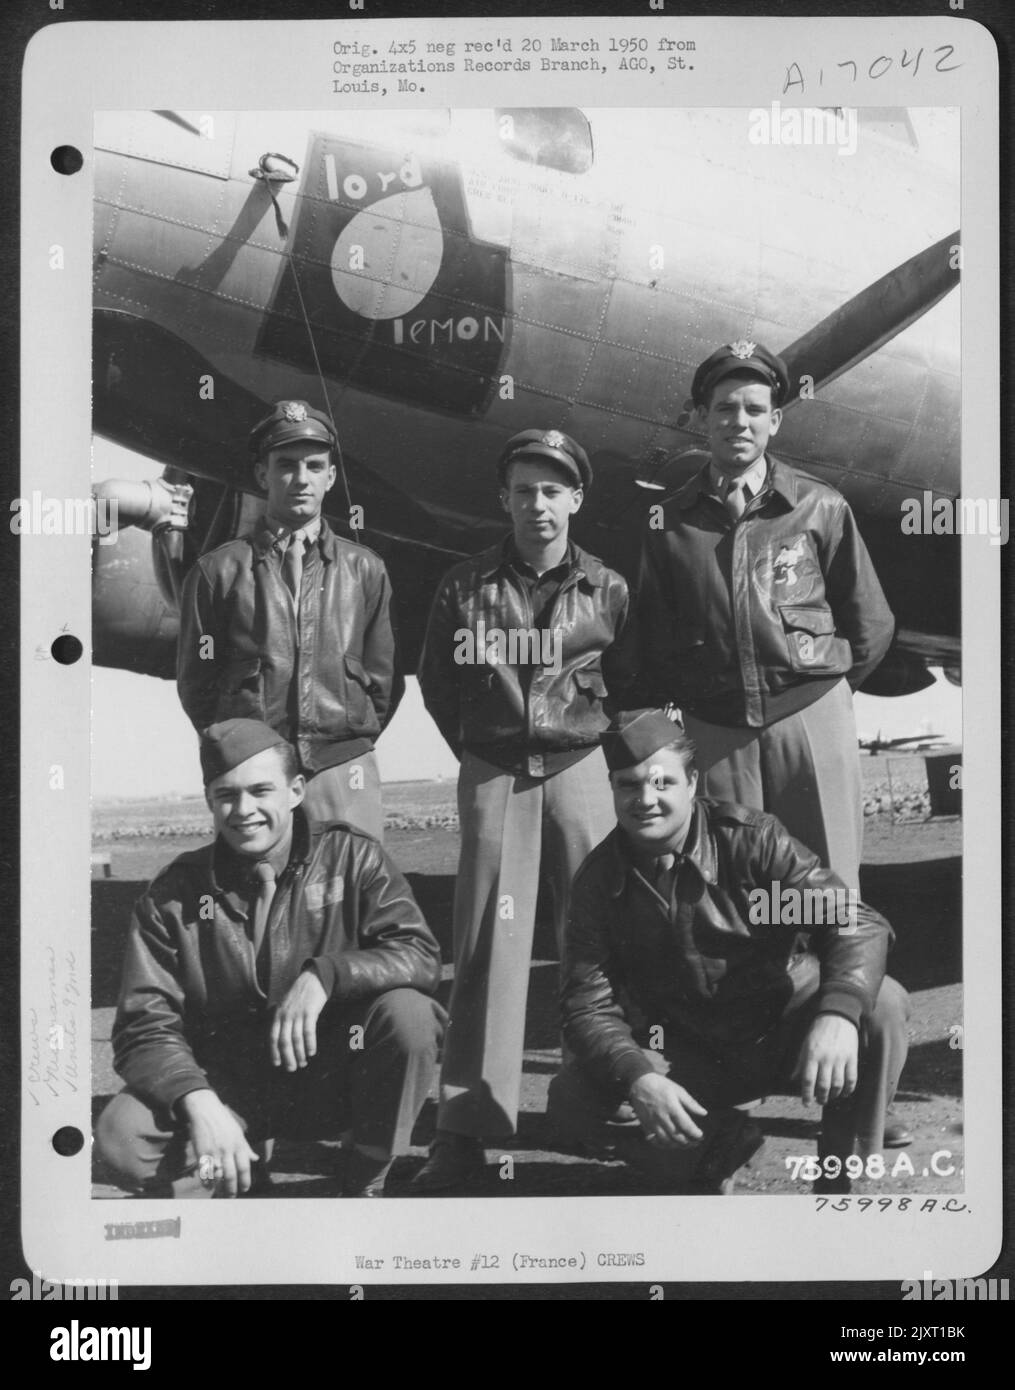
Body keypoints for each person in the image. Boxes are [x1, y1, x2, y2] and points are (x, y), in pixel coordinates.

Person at [548, 709, 910, 1195]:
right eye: (628, 786)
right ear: (613, 790)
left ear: (691, 781)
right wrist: (639, 1079)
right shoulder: (598, 882)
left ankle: (845, 1179)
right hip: (687, 1052)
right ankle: (716, 1146)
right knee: (574, 1100)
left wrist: (839, 1013)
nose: (645, 799)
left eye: (660, 782)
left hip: (783, 1027)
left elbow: (855, 920)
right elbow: (586, 1005)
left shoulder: (751, 841)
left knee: (880, 1006)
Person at [413, 429, 637, 1190]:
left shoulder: (607, 587)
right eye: (523, 490)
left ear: (576, 498)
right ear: (502, 500)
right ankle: (466, 1126)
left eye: (552, 489)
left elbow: (630, 682)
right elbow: (439, 684)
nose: (537, 504)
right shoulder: (462, 586)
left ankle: (602, 1096)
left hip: (582, 768)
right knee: (484, 948)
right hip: (497, 772)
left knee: (603, 942)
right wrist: (483, 750)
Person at [95, 719, 444, 1199]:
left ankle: (364, 1178)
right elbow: (143, 1023)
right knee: (121, 1141)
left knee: (410, 1017)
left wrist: (327, 975)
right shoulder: (172, 894)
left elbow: (418, 954)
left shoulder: (353, 858)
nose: (244, 811)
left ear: (296, 790)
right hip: (229, 1086)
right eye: (226, 795)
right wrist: (199, 1103)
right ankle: (234, 1177)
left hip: (331, 1072)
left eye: (261, 791)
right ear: (209, 800)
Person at [636, 341, 894, 892]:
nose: (739, 421)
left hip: (810, 714)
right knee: (733, 883)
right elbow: (653, 637)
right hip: (717, 728)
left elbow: (870, 621)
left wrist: (829, 695)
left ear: (775, 421)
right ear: (703, 418)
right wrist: (699, 708)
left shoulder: (820, 505)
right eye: (725, 408)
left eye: (754, 410)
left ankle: (839, 980)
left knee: (827, 883)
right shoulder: (668, 522)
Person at [177, 400, 402, 839]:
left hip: (342, 767)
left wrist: (346, 739)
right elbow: (196, 685)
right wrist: (244, 753)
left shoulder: (366, 569)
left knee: (348, 893)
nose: (301, 479)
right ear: (263, 474)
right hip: (256, 774)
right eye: (286, 465)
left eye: (315, 466)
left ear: (331, 477)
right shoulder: (216, 572)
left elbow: (384, 681)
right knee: (257, 894)